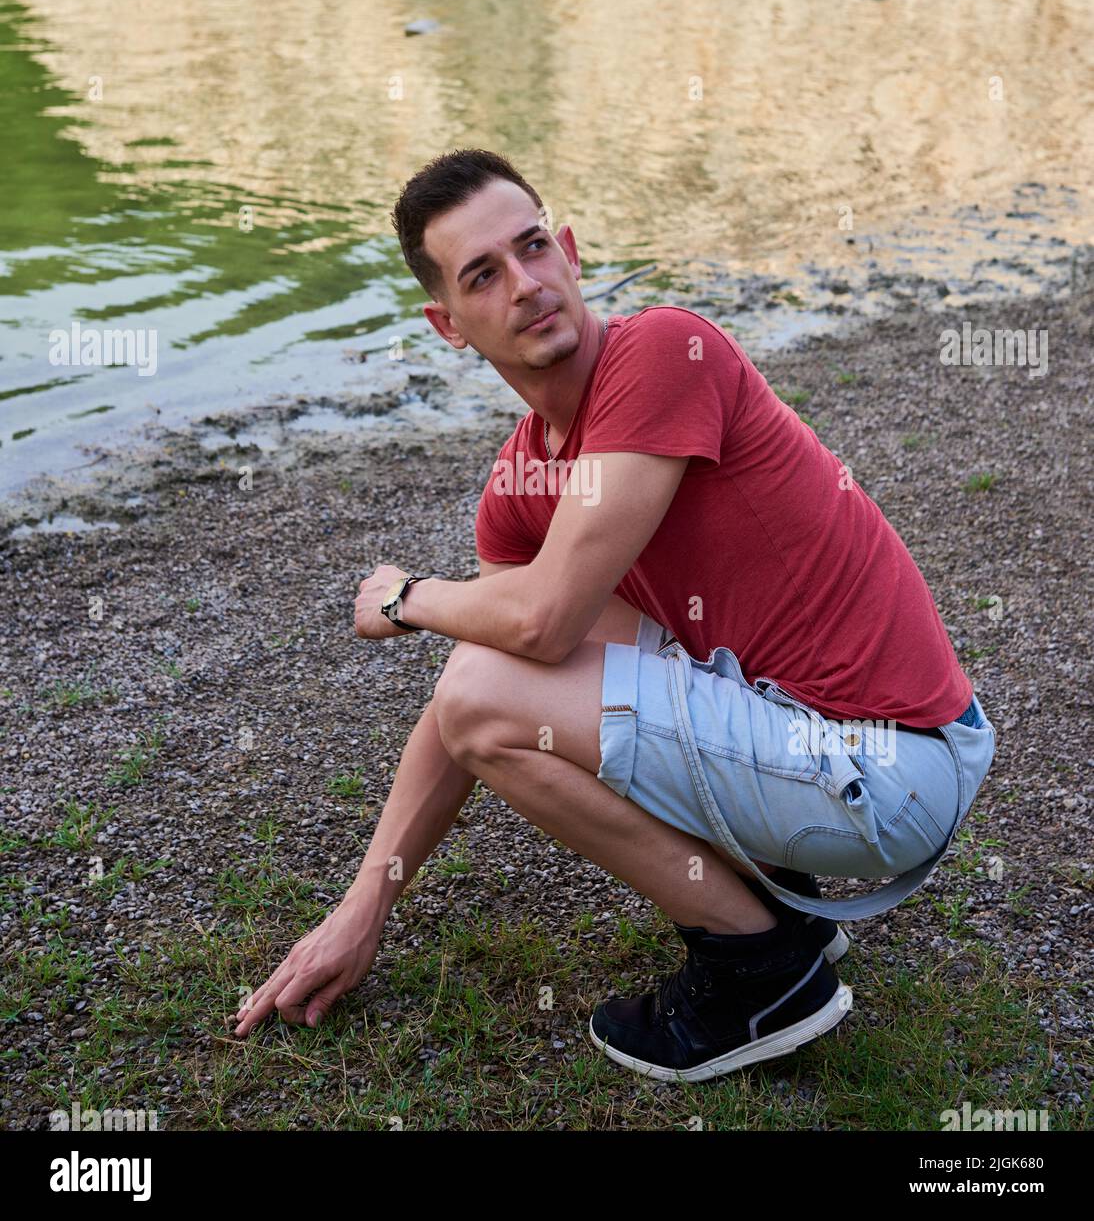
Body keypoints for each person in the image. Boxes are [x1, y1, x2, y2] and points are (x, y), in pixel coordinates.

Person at [232, 148, 996, 1083]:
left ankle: (755, 970)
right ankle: (780, 907)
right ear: (448, 325)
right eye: (484, 274)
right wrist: (362, 908)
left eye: (534, 246)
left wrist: (407, 599)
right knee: (491, 674)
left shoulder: (664, 352)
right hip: (813, 747)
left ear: (573, 252)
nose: (525, 284)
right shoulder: (518, 488)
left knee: (498, 668)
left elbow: (538, 630)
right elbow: (489, 680)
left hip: (893, 765)